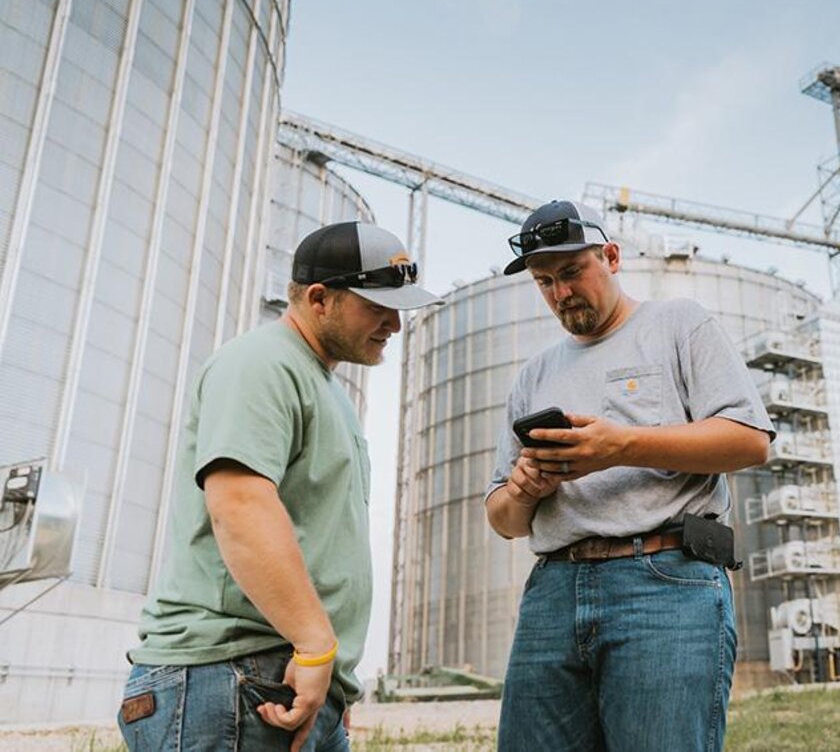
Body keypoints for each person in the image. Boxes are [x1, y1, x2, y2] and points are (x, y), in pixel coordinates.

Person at [118, 222, 441, 752]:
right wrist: (315, 647)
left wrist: (332, 680)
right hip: (230, 678)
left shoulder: (323, 385)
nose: (396, 325)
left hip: (284, 679)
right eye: (379, 306)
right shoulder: (262, 363)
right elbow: (241, 506)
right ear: (320, 298)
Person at [485, 200, 772, 752]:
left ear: (611, 257)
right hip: (553, 591)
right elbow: (502, 518)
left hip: (665, 584)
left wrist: (619, 446)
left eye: (572, 273)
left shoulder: (678, 324)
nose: (561, 293)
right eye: (545, 282)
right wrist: (523, 490)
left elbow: (749, 440)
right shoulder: (534, 373)